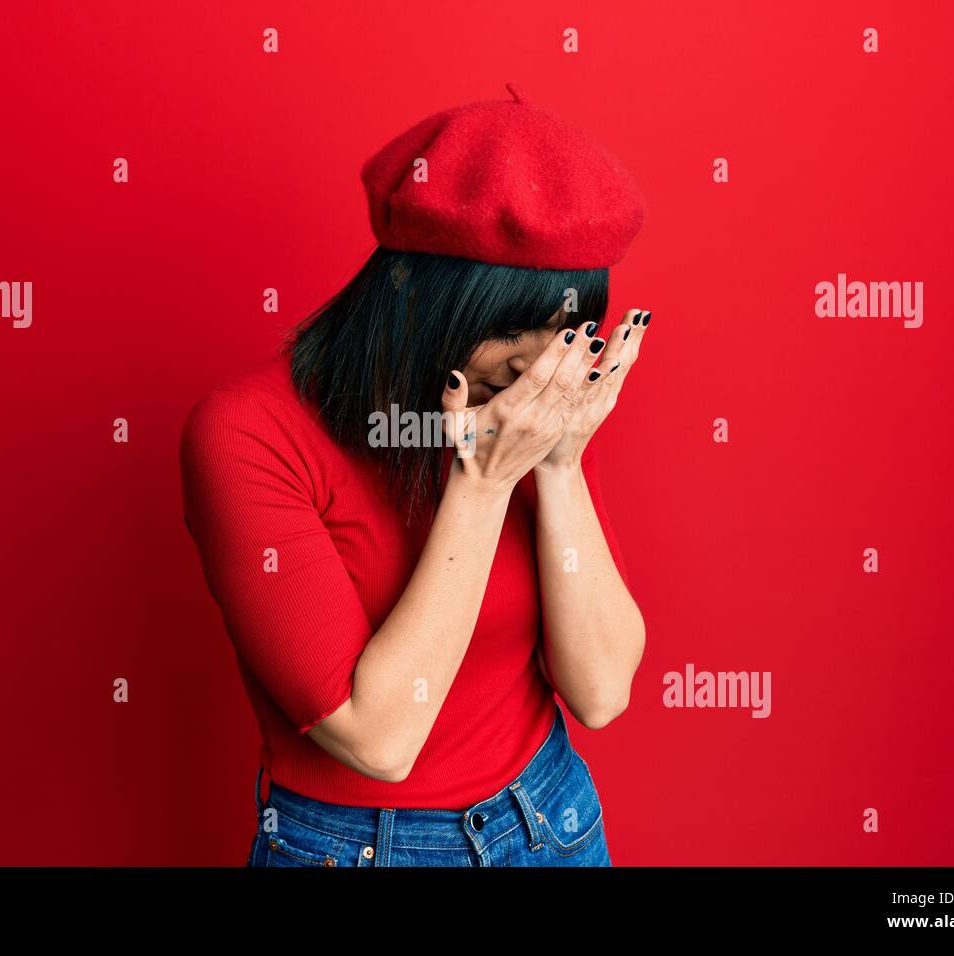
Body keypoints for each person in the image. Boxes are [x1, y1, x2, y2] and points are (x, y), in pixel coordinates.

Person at [180, 84, 651, 866]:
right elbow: (381, 739)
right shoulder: (246, 435)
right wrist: (483, 483)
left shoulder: (530, 401)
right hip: (367, 847)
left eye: (568, 332)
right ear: (418, 303)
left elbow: (601, 693)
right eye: (508, 327)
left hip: (550, 817)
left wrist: (561, 464)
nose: (541, 368)